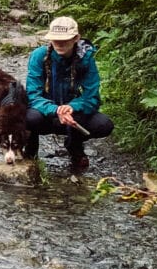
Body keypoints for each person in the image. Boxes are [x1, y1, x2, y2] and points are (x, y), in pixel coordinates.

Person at [24, 16, 113, 172]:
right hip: (45, 115)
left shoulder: (86, 58)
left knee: (104, 125)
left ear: (76, 38)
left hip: (73, 117)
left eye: (64, 40)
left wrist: (72, 107)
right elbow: (33, 95)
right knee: (26, 117)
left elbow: (92, 97)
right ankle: (30, 150)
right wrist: (55, 110)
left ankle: (74, 146)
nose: (59, 44)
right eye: (55, 39)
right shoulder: (39, 56)